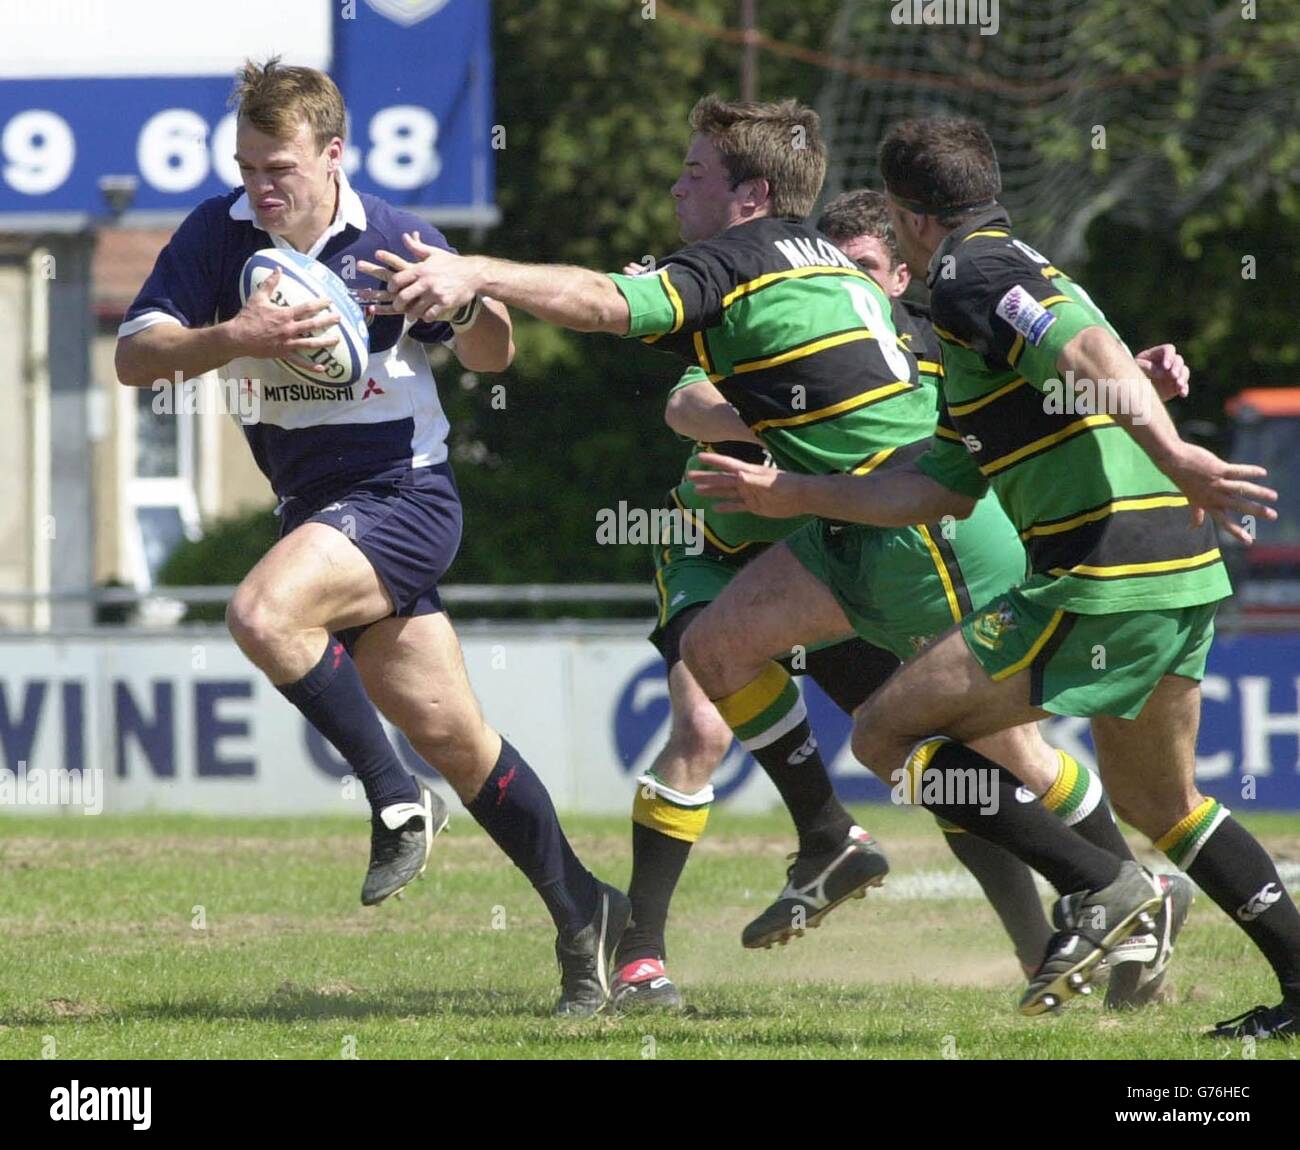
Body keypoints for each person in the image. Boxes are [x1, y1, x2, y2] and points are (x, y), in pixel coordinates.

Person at [364, 96, 1184, 1013]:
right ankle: (835, 835)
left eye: (694, 175)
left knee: (933, 741)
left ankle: (1108, 884)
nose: (676, 189)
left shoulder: (737, 261)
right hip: (858, 525)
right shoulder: (832, 261)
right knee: (718, 650)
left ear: (751, 195)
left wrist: (478, 268)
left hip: (918, 529)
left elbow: (603, 305)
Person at [687, 116, 1298, 1038]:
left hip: (1100, 570)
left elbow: (1083, 356)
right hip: (1175, 563)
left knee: (888, 733)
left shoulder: (972, 272)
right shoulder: (997, 280)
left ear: (909, 217)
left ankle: (1106, 889)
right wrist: (792, 492)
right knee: (1161, 801)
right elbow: (932, 487)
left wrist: (1177, 453)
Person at [115, 58, 628, 1017]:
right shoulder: (218, 235)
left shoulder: (394, 238)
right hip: (315, 516)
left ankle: (397, 799)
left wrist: (467, 299)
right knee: (462, 740)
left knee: (263, 614)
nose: (262, 188)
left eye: (280, 168)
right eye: (247, 166)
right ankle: (587, 913)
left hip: (404, 495)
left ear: (334, 155)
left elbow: (493, 350)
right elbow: (133, 356)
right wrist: (236, 337)